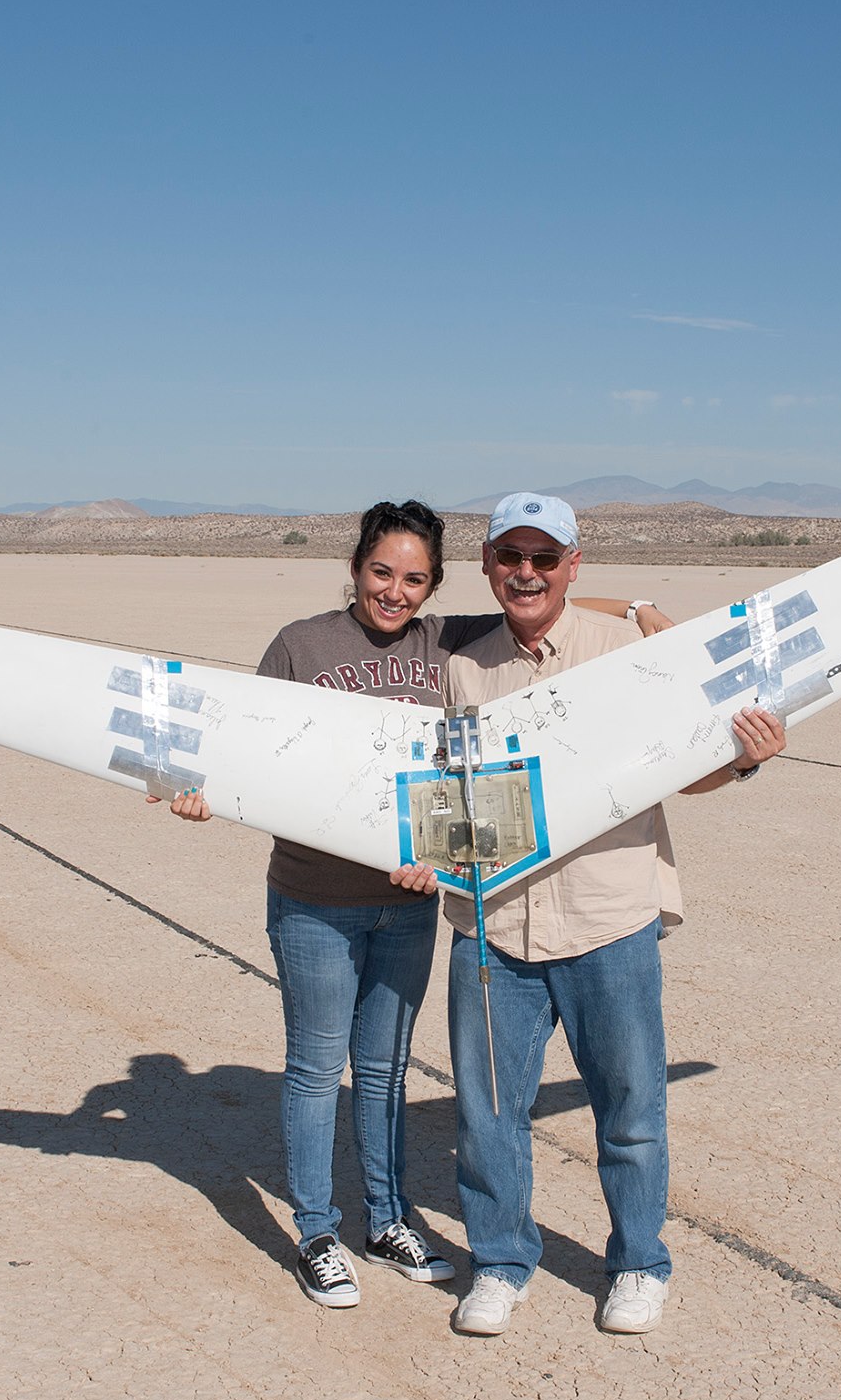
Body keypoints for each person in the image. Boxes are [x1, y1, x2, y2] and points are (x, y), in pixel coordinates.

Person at [154, 500, 672, 1309]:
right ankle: (318, 1231)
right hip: (315, 899)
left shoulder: (445, 643)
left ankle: (388, 1218)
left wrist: (638, 610)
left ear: (434, 588)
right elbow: (241, 741)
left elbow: (541, 602)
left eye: (415, 579)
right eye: (382, 573)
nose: (395, 592)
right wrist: (197, 791)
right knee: (319, 1067)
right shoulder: (302, 644)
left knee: (388, 1072)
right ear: (357, 565)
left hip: (408, 903)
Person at [399, 493, 787, 1337]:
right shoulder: (462, 660)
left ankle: (639, 1264)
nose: (527, 574)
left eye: (546, 558)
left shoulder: (630, 652)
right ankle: (501, 1263)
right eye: (511, 557)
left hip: (609, 918)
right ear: (489, 563)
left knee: (631, 1108)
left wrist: (744, 761)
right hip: (494, 925)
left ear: (576, 563)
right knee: (488, 1115)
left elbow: (688, 770)